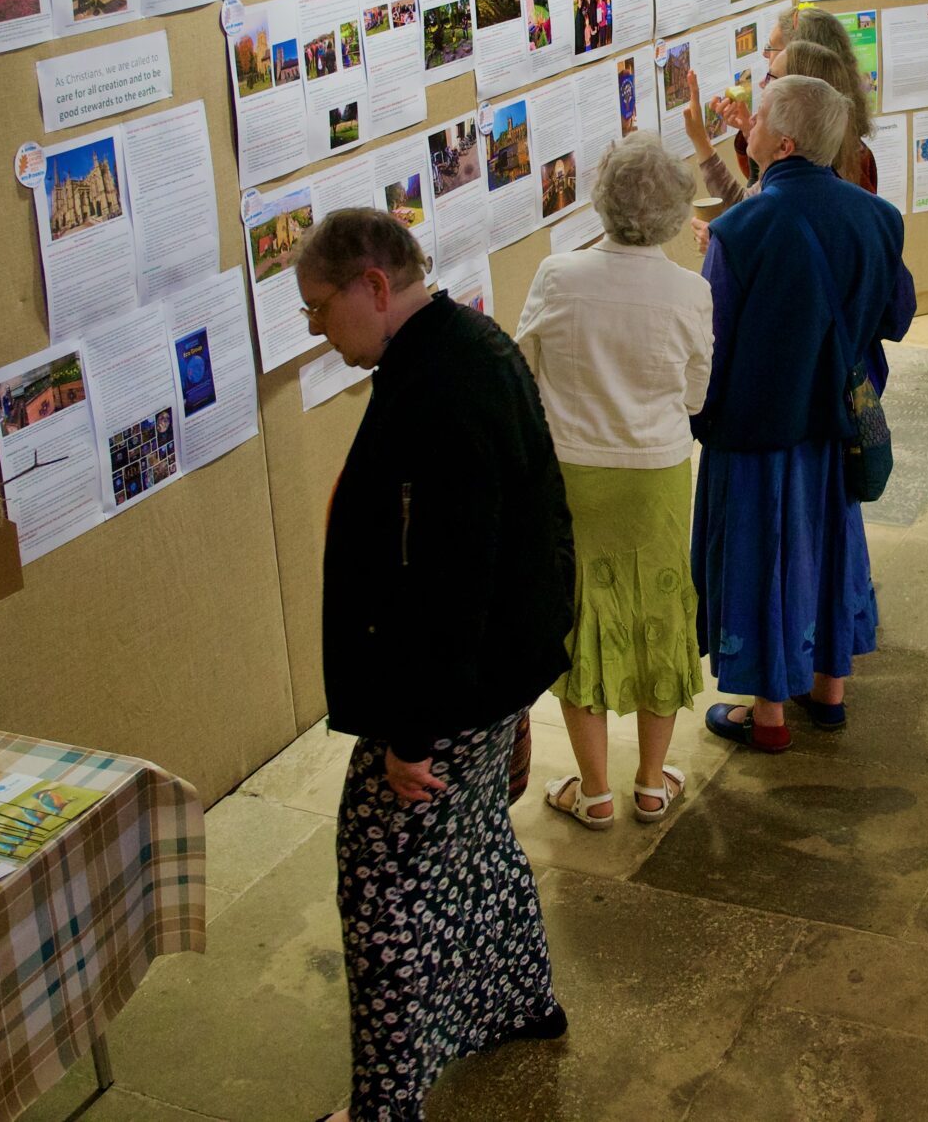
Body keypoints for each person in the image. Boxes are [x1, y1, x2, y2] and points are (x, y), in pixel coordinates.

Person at [296, 210, 576, 1121]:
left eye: (318, 306)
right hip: (490, 679)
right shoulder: (467, 344)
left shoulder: (437, 384)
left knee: (383, 882)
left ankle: (385, 1104)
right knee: (475, 843)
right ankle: (516, 999)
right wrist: (515, 692)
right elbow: (525, 535)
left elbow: (452, 571)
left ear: (375, 285)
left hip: (447, 695)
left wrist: (412, 730)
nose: (312, 328)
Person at [692, 76, 915, 749]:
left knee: (765, 556)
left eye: (756, 118)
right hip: (840, 424)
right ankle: (829, 690)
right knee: (830, 542)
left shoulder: (738, 230)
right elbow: (897, 316)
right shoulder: (876, 217)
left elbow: (714, 346)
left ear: (782, 142)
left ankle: (766, 715)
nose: (747, 126)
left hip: (761, 432)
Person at [514, 133, 714, 831]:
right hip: (656, 473)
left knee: (583, 619)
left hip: (573, 472)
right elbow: (695, 396)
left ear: (600, 197)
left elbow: (524, 371)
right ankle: (652, 784)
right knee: (662, 612)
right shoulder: (690, 290)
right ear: (672, 210)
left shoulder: (556, 275)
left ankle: (594, 790)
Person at [687, 8, 879, 198]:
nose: (765, 55)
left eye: (771, 48)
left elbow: (748, 210)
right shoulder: (825, 142)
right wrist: (755, 132)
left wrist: (701, 141)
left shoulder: (823, 171)